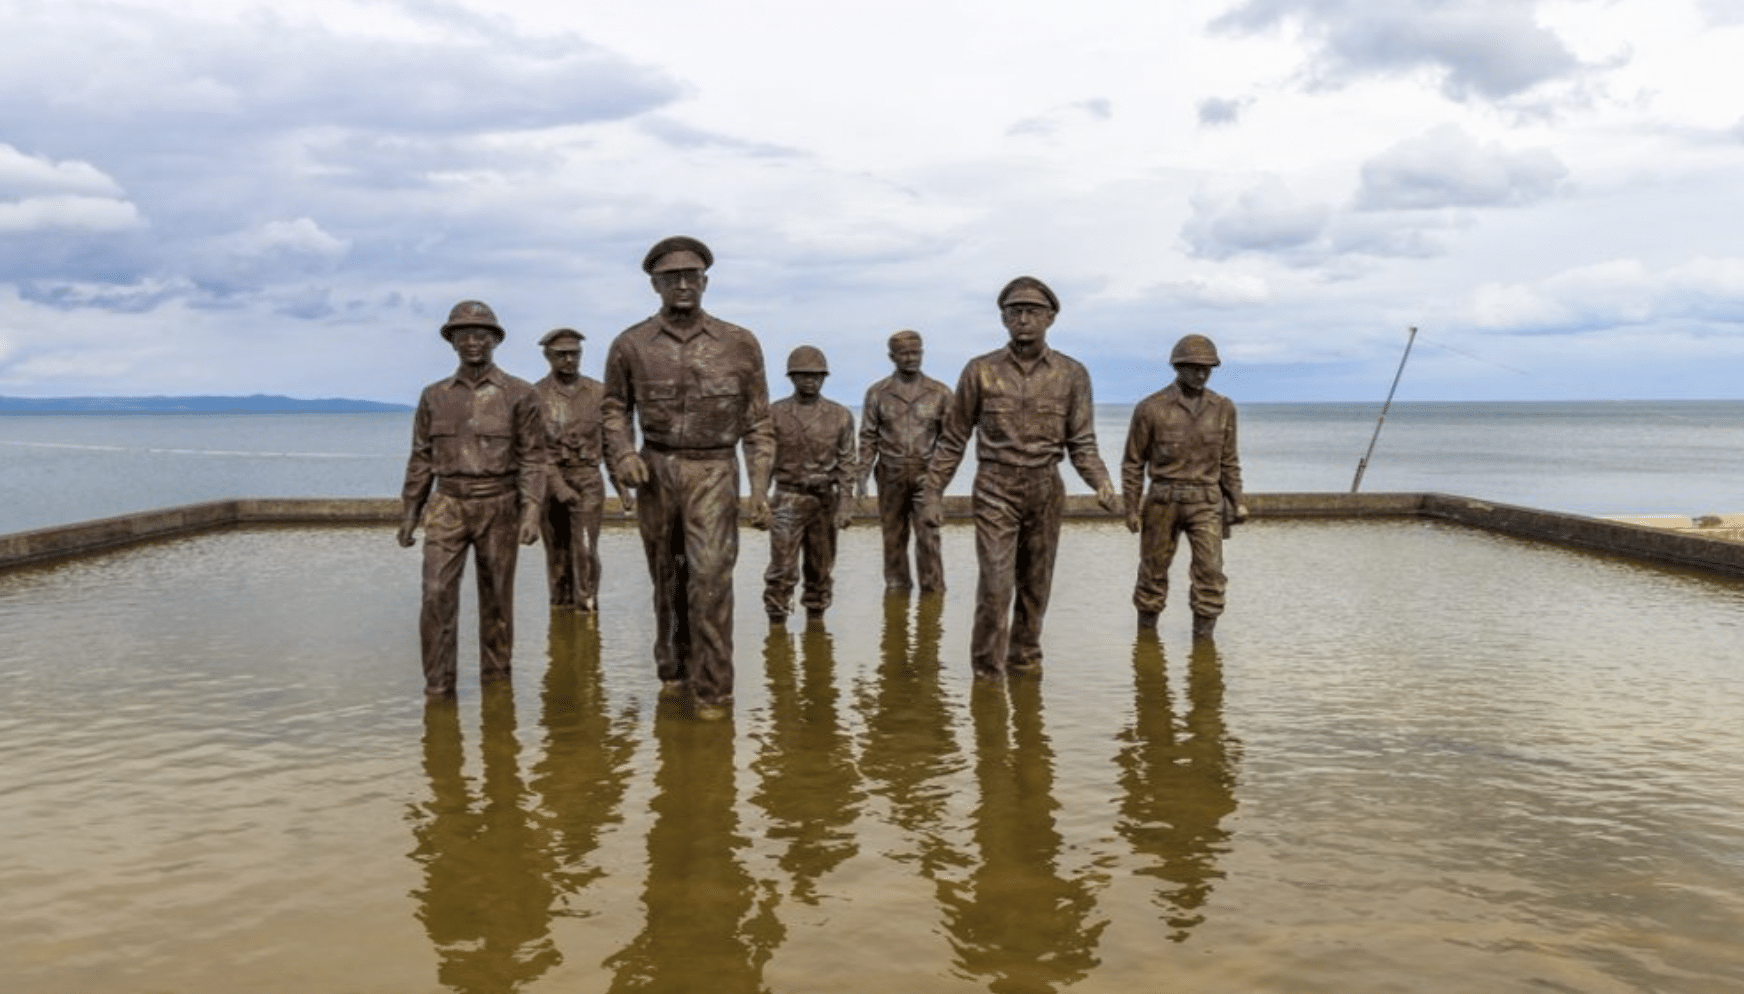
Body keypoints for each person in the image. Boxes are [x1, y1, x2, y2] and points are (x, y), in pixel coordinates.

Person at [601, 236, 775, 719]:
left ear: (705, 281)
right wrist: (623, 453)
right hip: (657, 471)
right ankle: (673, 673)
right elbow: (614, 409)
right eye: (671, 277)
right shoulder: (630, 344)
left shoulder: (739, 343)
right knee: (667, 577)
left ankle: (714, 692)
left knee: (711, 577)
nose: (682, 284)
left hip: (714, 469)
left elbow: (758, 423)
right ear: (655, 284)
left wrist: (759, 489)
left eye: (691, 276)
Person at [920, 277, 1118, 678]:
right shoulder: (980, 371)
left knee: (1035, 586)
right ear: (1004, 319)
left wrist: (1101, 482)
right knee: (995, 587)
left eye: (1032, 312)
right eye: (1015, 313)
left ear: (1051, 318)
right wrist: (931, 493)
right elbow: (953, 438)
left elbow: (1082, 441)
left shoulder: (1071, 374)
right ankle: (987, 675)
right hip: (995, 487)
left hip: (1046, 488)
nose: (1024, 320)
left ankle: (1025, 665)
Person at [398, 300, 547, 698]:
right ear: (452, 342)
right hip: (448, 504)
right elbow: (420, 457)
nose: (472, 341)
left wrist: (532, 509)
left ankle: (497, 686)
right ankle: (438, 686)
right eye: (463, 334)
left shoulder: (520, 394)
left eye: (481, 334)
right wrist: (411, 512)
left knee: (497, 599)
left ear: (495, 340)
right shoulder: (434, 397)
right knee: (435, 594)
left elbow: (534, 457)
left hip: (499, 504)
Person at [1122, 334, 1247, 639]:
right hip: (1163, 501)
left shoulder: (1223, 408)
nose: (1201, 373)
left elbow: (1229, 461)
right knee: (1152, 573)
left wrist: (1238, 500)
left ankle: (1203, 649)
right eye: (1193, 367)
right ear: (1178, 367)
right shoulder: (1150, 408)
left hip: (1206, 502)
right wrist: (1130, 507)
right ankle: (1146, 641)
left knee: (1211, 574)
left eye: (1207, 368)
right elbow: (1133, 463)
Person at [533, 327, 630, 613]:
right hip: (550, 483)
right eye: (561, 355)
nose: (569, 360)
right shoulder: (534, 396)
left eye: (574, 354)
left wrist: (622, 489)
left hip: (587, 478)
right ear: (548, 356)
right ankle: (561, 616)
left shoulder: (599, 393)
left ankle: (587, 609)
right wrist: (558, 487)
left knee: (585, 550)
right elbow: (534, 451)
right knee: (557, 553)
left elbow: (612, 446)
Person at [764, 345, 855, 625]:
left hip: (824, 501)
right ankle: (777, 628)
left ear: (824, 378)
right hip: (788, 498)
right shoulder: (774, 414)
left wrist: (846, 505)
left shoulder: (840, 415)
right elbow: (763, 460)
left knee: (821, 569)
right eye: (803, 375)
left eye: (816, 376)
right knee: (782, 569)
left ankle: (817, 628)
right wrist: (759, 499)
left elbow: (847, 464)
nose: (810, 380)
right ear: (791, 377)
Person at [856, 329, 952, 594]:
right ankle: (897, 592)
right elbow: (867, 437)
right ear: (892, 356)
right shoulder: (877, 393)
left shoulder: (940, 393)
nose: (912, 358)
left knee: (929, 534)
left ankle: (933, 596)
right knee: (893, 537)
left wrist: (940, 475)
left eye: (916, 352)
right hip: (890, 474)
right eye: (905, 353)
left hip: (926, 475)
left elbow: (951, 441)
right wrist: (861, 475)